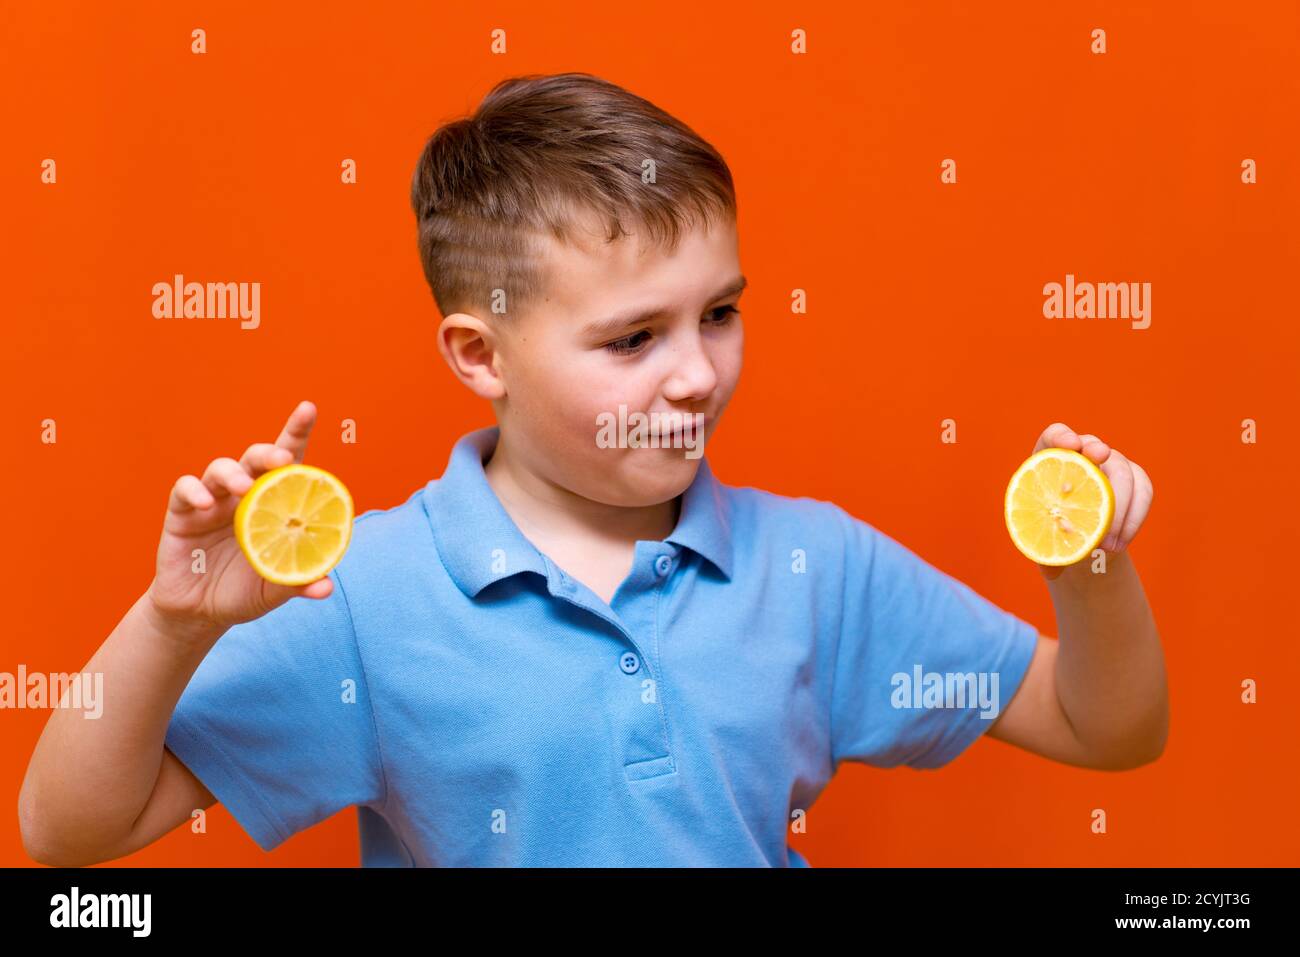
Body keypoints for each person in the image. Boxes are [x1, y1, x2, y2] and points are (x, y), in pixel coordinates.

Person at [18, 72, 1166, 867]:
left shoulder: (812, 564)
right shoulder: (365, 594)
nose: (695, 377)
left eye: (718, 313)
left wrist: (1093, 562)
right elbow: (70, 831)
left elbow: (1103, 727)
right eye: (632, 339)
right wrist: (173, 626)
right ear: (481, 354)